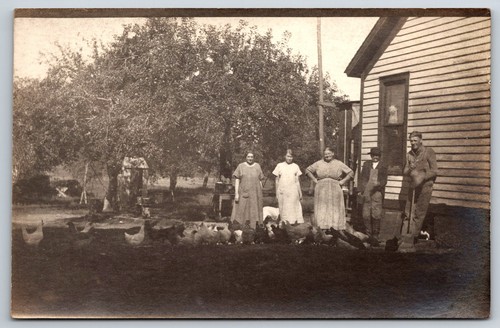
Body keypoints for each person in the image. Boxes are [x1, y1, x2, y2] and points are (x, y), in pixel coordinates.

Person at [306, 147, 354, 232]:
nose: (327, 155)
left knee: (334, 207)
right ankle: (322, 228)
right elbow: (307, 170)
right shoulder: (318, 163)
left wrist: (342, 181)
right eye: (325, 154)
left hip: (335, 188)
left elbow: (351, 173)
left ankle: (335, 229)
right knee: (322, 207)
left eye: (329, 153)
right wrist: (315, 180)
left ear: (333, 153)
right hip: (321, 189)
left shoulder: (339, 163)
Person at [402, 131, 438, 242]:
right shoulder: (409, 154)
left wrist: (421, 177)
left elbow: (434, 171)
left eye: (415, 140)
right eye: (411, 141)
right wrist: (410, 168)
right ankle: (404, 237)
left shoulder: (428, 152)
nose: (413, 143)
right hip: (413, 187)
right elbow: (405, 171)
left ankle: (413, 237)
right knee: (408, 212)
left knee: (419, 213)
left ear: (421, 140)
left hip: (425, 187)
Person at [358, 147, 388, 243]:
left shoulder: (383, 166)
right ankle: (368, 234)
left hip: (377, 192)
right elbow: (362, 178)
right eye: (373, 155)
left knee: (376, 214)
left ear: (379, 156)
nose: (375, 157)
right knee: (366, 214)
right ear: (371, 156)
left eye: (377, 155)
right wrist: (360, 190)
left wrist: (379, 184)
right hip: (367, 192)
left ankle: (375, 235)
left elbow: (384, 180)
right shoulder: (366, 164)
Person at [231, 151, 265, 226]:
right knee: (242, 209)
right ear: (246, 157)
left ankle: (254, 227)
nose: (250, 158)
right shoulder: (241, 166)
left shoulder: (257, 166)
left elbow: (260, 180)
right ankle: (240, 227)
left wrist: (260, 193)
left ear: (254, 158)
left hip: (255, 193)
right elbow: (237, 180)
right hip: (244, 192)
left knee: (254, 210)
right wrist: (236, 194)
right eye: (248, 157)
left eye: (251, 157)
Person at [272, 149, 304, 224]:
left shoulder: (295, 166)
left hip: (293, 191)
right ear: (285, 156)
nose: (289, 158)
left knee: (293, 207)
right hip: (282, 190)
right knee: (283, 207)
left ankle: (293, 224)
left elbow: (297, 181)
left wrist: (300, 193)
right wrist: (276, 192)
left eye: (291, 157)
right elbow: (277, 180)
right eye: (288, 156)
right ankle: (284, 223)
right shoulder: (279, 165)